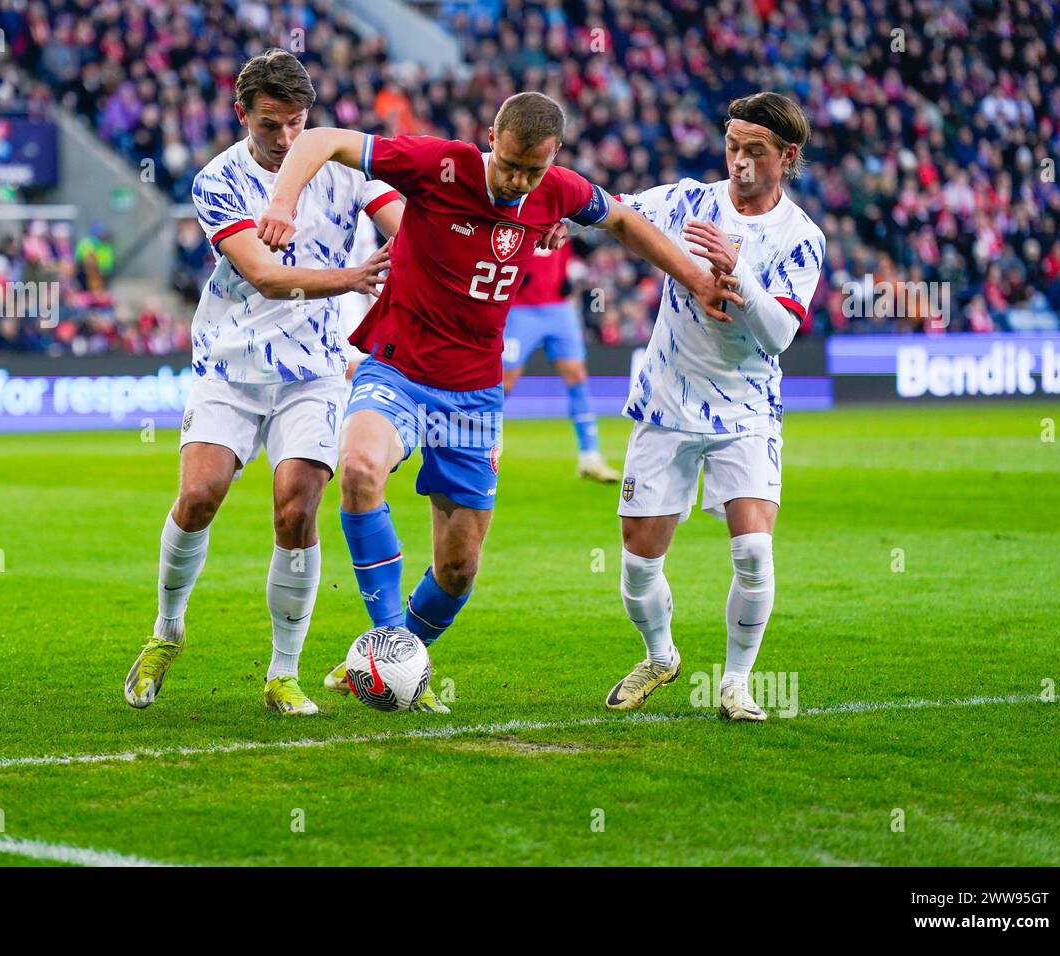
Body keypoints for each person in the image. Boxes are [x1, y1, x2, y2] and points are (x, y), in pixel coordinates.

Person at [259, 91, 742, 713]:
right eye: (509, 163)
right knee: (357, 469)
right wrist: (282, 201)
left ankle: (400, 651)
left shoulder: (559, 191)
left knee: (458, 569)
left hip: (474, 393)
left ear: (554, 158)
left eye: (531, 171)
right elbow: (323, 138)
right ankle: (385, 640)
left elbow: (622, 220)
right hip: (398, 365)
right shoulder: (440, 164)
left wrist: (698, 278)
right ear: (491, 136)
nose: (517, 182)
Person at [122, 49, 403, 716]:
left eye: (296, 124)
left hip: (315, 372)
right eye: (270, 125)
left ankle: (282, 673)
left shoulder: (343, 163)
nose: (284, 140)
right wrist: (357, 278)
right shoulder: (217, 181)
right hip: (232, 364)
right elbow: (268, 276)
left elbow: (405, 223)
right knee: (199, 495)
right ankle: (167, 631)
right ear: (242, 114)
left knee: (295, 505)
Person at [603, 92, 825, 722]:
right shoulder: (684, 201)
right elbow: (610, 212)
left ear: (786, 155)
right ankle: (660, 656)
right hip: (668, 402)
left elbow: (780, 335)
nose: (740, 161)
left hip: (747, 412)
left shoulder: (802, 237)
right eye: (733, 146)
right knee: (639, 559)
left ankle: (734, 684)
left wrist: (737, 271)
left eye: (755, 150)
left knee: (754, 552)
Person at [501, 240, 619, 482]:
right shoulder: (517, 208)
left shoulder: (561, 211)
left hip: (559, 308)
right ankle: (479, 449)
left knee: (576, 375)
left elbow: (586, 238)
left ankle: (591, 457)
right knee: (503, 383)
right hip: (520, 308)